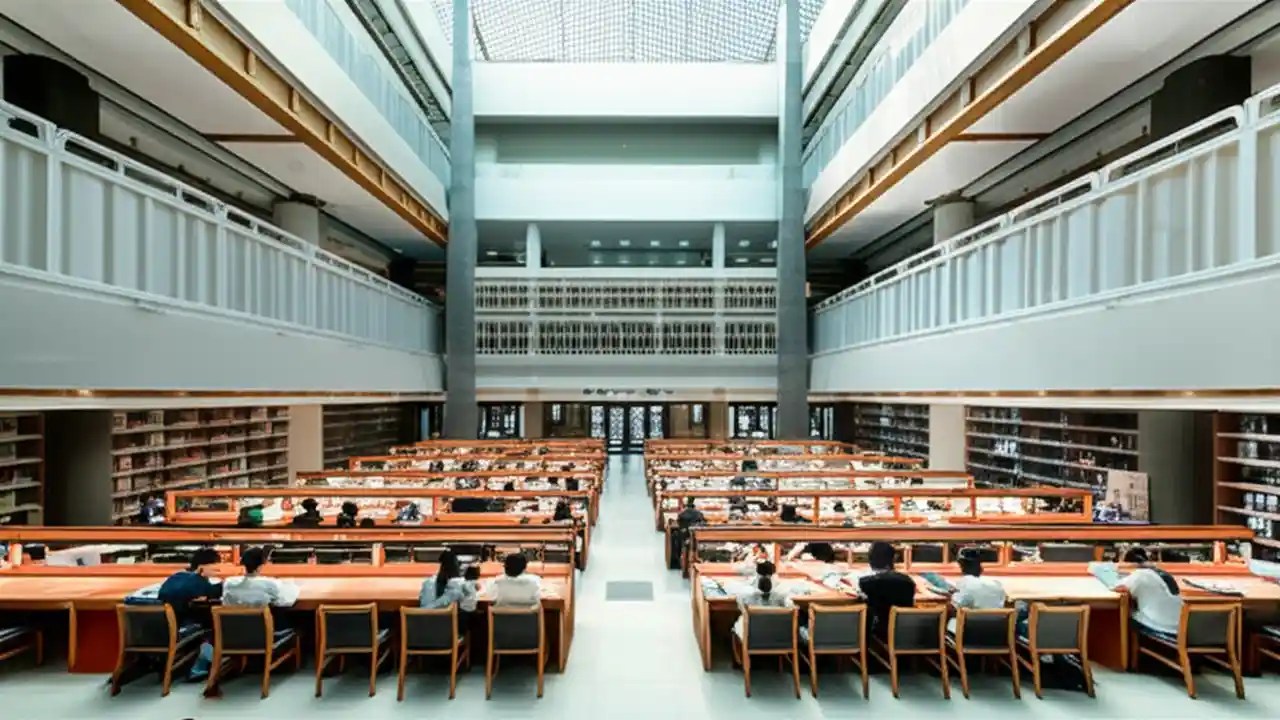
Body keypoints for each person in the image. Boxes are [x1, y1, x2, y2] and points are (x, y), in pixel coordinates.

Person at [1114, 547, 1183, 636]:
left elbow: (1117, 587)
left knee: (1129, 615)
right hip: (1178, 627)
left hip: (1161, 627)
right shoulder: (1163, 573)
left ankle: (1128, 648)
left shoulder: (1139, 575)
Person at [857, 541, 916, 638]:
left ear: (870, 561)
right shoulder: (908, 581)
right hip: (905, 634)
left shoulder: (867, 583)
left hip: (879, 634)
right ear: (893, 559)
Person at [157, 547, 224, 627]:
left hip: (163, 627)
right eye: (215, 566)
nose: (218, 570)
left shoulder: (176, 576)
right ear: (201, 567)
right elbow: (215, 591)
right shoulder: (198, 581)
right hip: (183, 627)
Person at [946, 548, 1007, 633]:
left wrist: (951, 596)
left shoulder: (965, 583)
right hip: (996, 634)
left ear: (962, 568)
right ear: (981, 569)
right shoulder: (997, 584)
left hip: (969, 634)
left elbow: (955, 607)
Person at [419, 549, 479, 625]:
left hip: (420, 631)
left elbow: (422, 605)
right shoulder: (457, 587)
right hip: (445, 633)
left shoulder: (427, 583)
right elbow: (470, 606)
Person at [731, 575, 793, 641]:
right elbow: (791, 606)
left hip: (754, 639)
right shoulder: (781, 598)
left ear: (758, 586)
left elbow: (740, 600)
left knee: (739, 624)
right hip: (779, 639)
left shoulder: (748, 599)